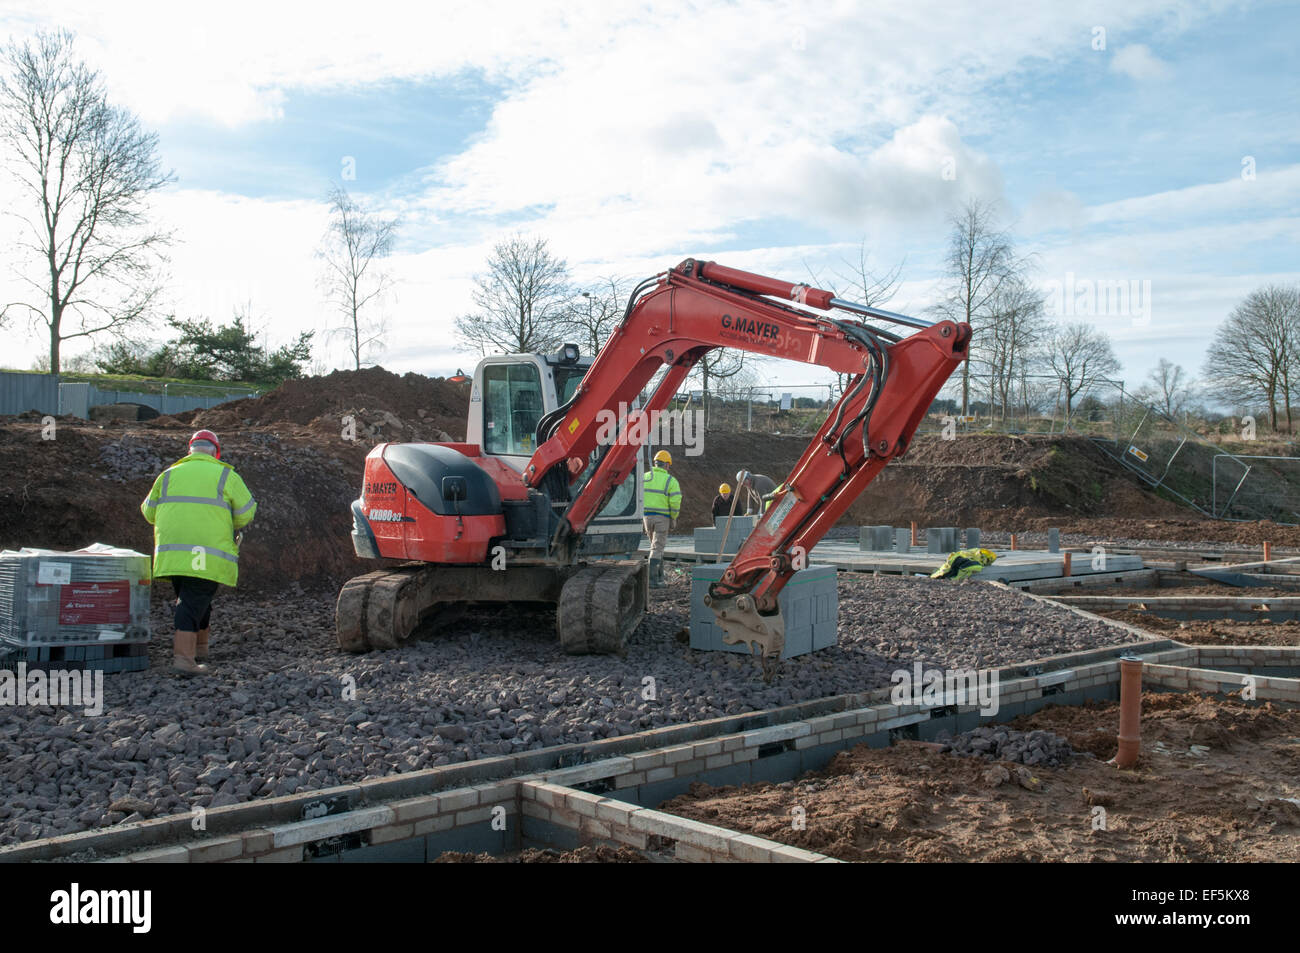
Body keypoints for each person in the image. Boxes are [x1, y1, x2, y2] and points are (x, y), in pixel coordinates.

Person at [141, 429, 257, 675]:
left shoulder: (168, 475)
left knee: (197, 598)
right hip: (205, 553)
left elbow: (148, 512)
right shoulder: (225, 475)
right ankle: (184, 660)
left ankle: (200, 649)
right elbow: (246, 512)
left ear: (189, 450)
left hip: (172, 552)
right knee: (192, 600)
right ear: (216, 452)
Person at [642, 449, 681, 589]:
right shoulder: (671, 481)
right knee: (657, 547)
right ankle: (652, 580)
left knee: (655, 546)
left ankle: (659, 577)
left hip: (646, 518)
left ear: (655, 463)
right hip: (662, 518)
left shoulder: (645, 477)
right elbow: (675, 502)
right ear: (667, 465)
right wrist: (674, 518)